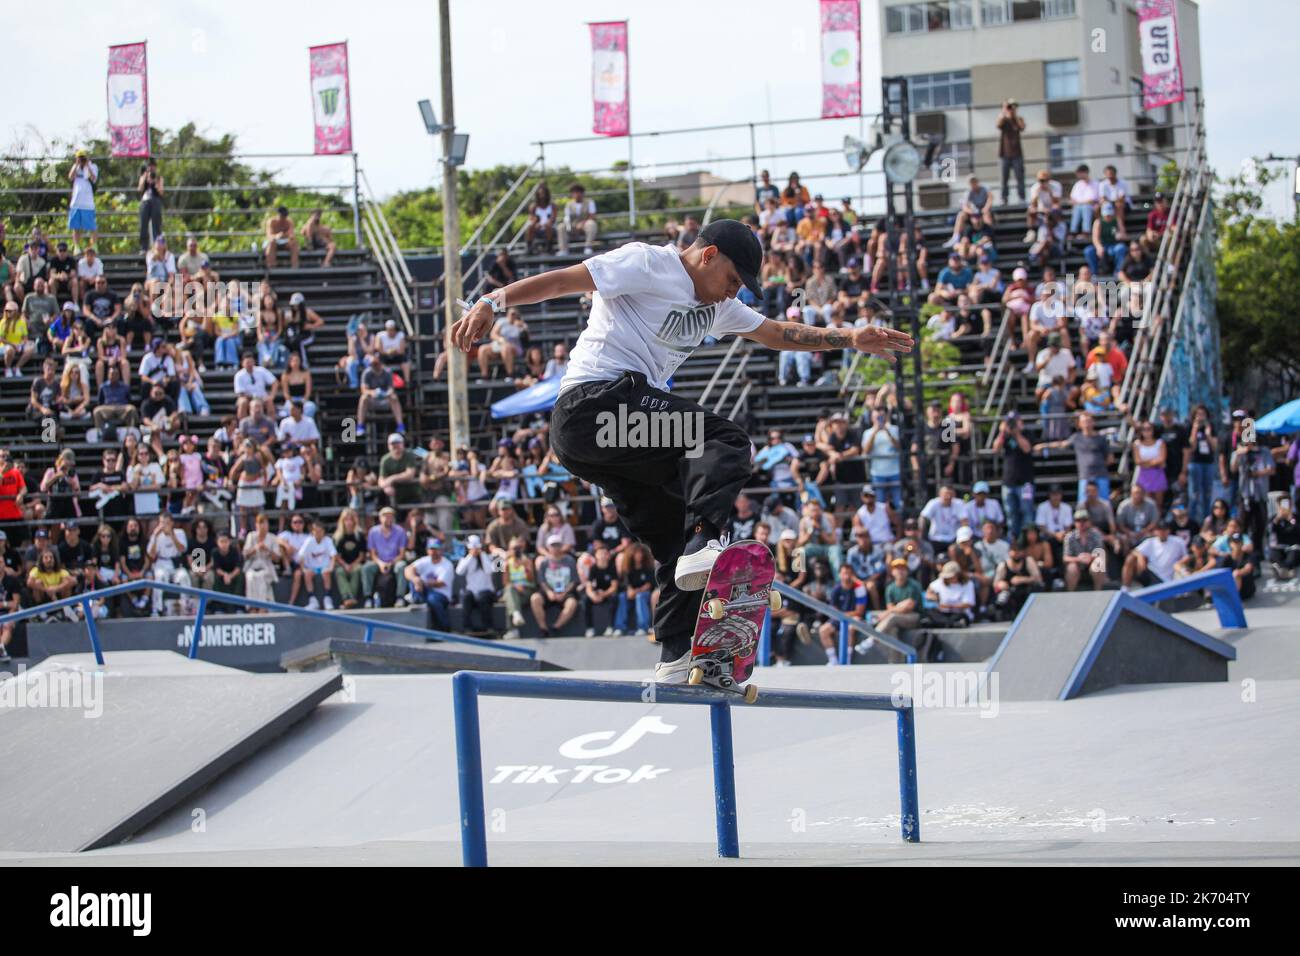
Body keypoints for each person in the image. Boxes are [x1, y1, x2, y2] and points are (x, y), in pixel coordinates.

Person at [448, 219, 911, 683]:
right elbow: (565, 280)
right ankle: (706, 539)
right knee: (724, 440)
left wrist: (849, 337)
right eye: (732, 281)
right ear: (708, 256)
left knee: (674, 532)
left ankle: (676, 657)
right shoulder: (648, 263)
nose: (732, 295)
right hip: (594, 407)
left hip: (611, 442)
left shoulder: (720, 308)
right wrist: (493, 301)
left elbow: (775, 333)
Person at [1123, 521, 1187, 588]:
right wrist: (1140, 557)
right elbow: (1134, 551)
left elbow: (1186, 556)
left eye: (1164, 530)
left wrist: (1179, 563)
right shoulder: (1150, 542)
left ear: (1168, 531)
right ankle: (1125, 588)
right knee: (1130, 558)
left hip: (1167, 577)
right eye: (1160, 530)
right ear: (1155, 531)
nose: (1162, 532)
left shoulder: (1178, 541)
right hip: (1151, 573)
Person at [996, 99, 1025, 204]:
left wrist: (1015, 115)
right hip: (1004, 154)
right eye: (1010, 107)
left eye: (1013, 107)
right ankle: (1004, 198)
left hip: (1017, 154)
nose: (1011, 109)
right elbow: (998, 125)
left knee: (1020, 177)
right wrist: (1004, 112)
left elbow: (1022, 127)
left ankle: (1021, 197)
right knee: (1004, 178)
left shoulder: (1018, 119)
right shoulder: (1003, 119)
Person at [558, 184, 598, 255]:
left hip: (585, 225)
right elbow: (567, 217)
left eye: (578, 192)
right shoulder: (569, 204)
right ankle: (563, 250)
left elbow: (592, 216)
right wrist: (569, 227)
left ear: (582, 193)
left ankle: (588, 247)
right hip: (572, 225)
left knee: (591, 223)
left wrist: (582, 223)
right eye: (574, 192)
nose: (576, 194)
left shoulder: (589, 202)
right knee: (561, 227)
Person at [137, 158, 164, 252]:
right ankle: (144, 247)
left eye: (153, 166)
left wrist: (155, 183)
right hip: (145, 201)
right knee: (143, 224)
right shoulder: (143, 176)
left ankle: (158, 247)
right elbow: (139, 189)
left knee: (156, 225)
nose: (151, 168)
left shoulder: (159, 177)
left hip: (155, 200)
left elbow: (161, 192)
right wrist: (145, 177)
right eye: (149, 166)